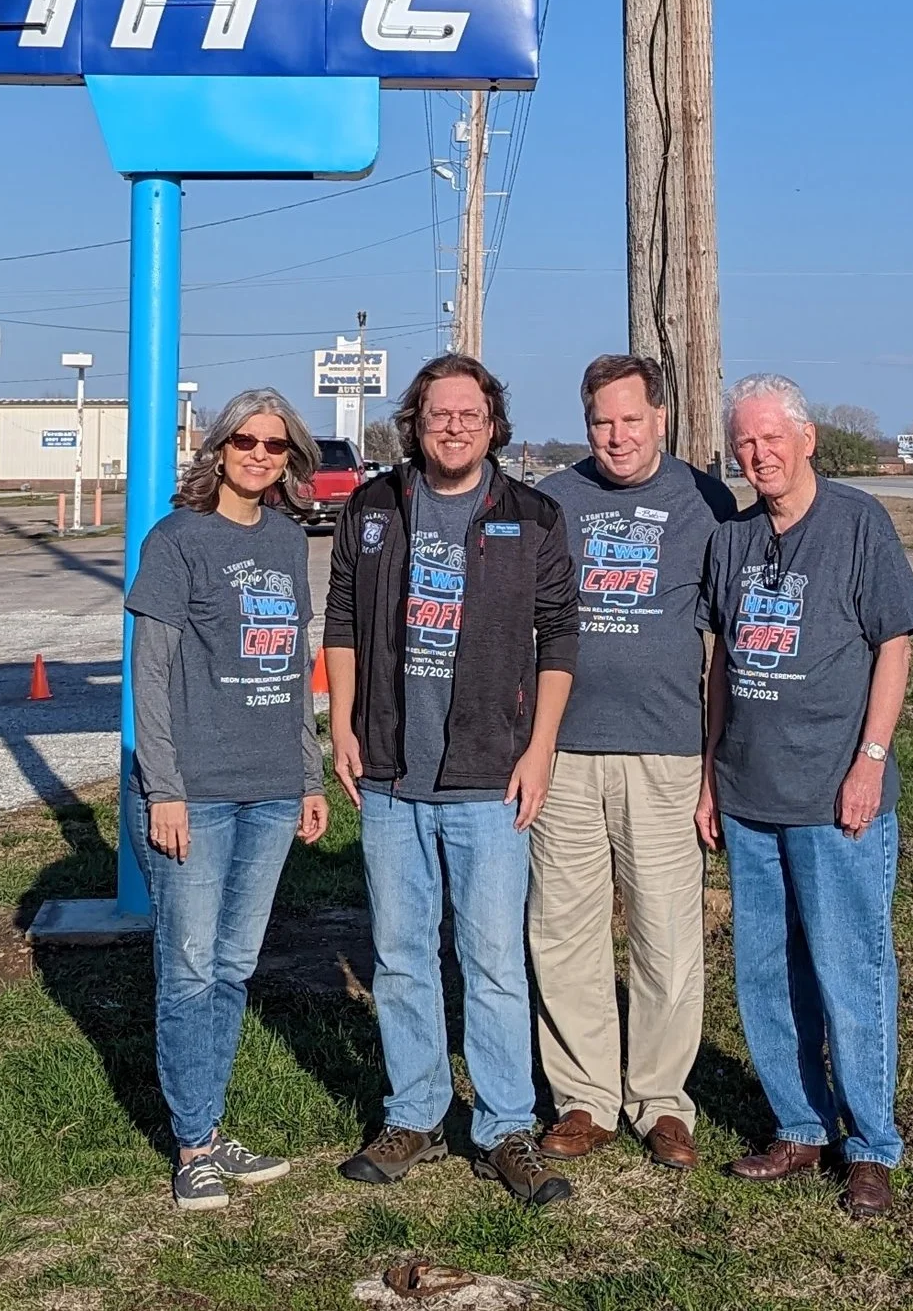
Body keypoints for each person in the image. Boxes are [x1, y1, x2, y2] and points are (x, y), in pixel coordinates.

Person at [323, 352, 581, 1207]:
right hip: (394, 775)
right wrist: (345, 726)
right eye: (439, 413)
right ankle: (416, 1113)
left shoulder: (533, 517)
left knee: (494, 960)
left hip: (489, 776)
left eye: (470, 413)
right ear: (416, 421)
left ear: (494, 424)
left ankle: (507, 1126)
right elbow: (344, 625)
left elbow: (559, 640)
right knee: (399, 958)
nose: (454, 426)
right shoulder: (371, 508)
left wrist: (538, 749)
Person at [698, 373, 913, 1221]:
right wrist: (708, 771)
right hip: (750, 796)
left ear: (806, 441)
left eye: (770, 440)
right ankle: (798, 1125)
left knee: (850, 967)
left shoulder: (859, 524)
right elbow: (721, 661)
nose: (757, 456)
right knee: (765, 973)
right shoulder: (731, 541)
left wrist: (870, 761)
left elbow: (894, 647)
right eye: (744, 444)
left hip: (839, 799)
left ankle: (870, 1144)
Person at [527, 355, 737, 1170]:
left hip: (667, 751)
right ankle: (584, 1099)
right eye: (601, 422)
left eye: (630, 420)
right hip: (566, 755)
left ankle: (661, 1102)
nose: (616, 437)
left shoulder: (705, 500)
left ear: (662, 418)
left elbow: (723, 639)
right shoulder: (555, 501)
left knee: (668, 934)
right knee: (564, 931)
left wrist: (715, 761)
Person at [125, 388, 331, 1212]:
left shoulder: (286, 541)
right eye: (244, 440)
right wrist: (163, 789)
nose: (257, 455)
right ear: (217, 449)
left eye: (274, 446)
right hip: (196, 796)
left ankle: (211, 1126)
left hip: (271, 791)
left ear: (290, 459)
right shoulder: (177, 541)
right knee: (189, 971)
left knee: (236, 967)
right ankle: (193, 1145)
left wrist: (309, 777)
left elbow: (293, 672)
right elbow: (150, 676)